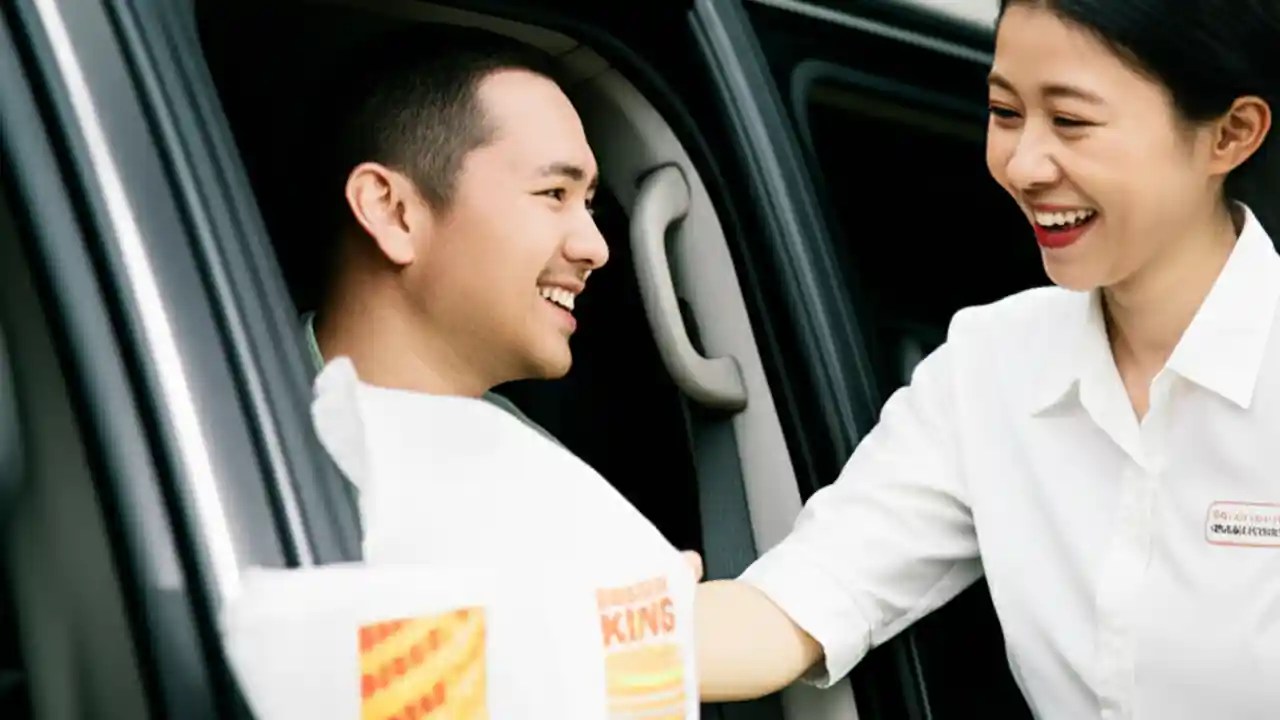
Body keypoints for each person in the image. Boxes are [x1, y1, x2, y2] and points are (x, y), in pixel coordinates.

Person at [695, 1, 1280, 717]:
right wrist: (570, 646)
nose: (1023, 164)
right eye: (1005, 112)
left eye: (1071, 121)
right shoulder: (991, 365)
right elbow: (799, 602)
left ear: (1231, 135)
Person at [301, 27, 607, 447]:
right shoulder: (223, 431)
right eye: (554, 193)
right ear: (393, 212)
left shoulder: (531, 463)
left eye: (588, 204)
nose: (596, 249)